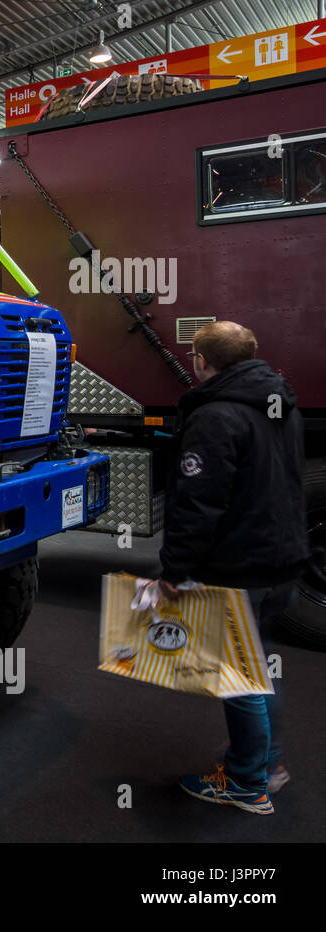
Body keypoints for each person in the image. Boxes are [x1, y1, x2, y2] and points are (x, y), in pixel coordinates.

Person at [151, 321, 310, 815]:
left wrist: (172, 573)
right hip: (283, 559)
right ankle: (265, 763)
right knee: (257, 667)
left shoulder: (214, 415)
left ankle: (245, 782)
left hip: (241, 564)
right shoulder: (280, 402)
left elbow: (199, 506)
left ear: (201, 360)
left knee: (237, 675)